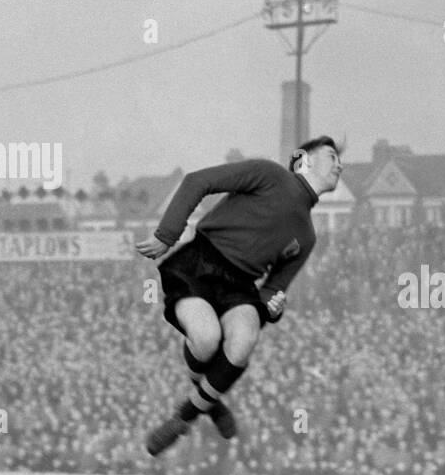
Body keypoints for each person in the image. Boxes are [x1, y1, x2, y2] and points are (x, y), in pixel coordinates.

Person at [135, 136, 343, 456]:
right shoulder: (269, 174)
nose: (339, 164)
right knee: (206, 339)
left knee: (244, 341)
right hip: (200, 263)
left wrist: (274, 308)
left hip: (241, 285)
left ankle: (184, 417)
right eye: (332, 156)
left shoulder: (307, 236)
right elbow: (197, 181)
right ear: (305, 160)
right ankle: (211, 401)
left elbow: (273, 290)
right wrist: (167, 234)